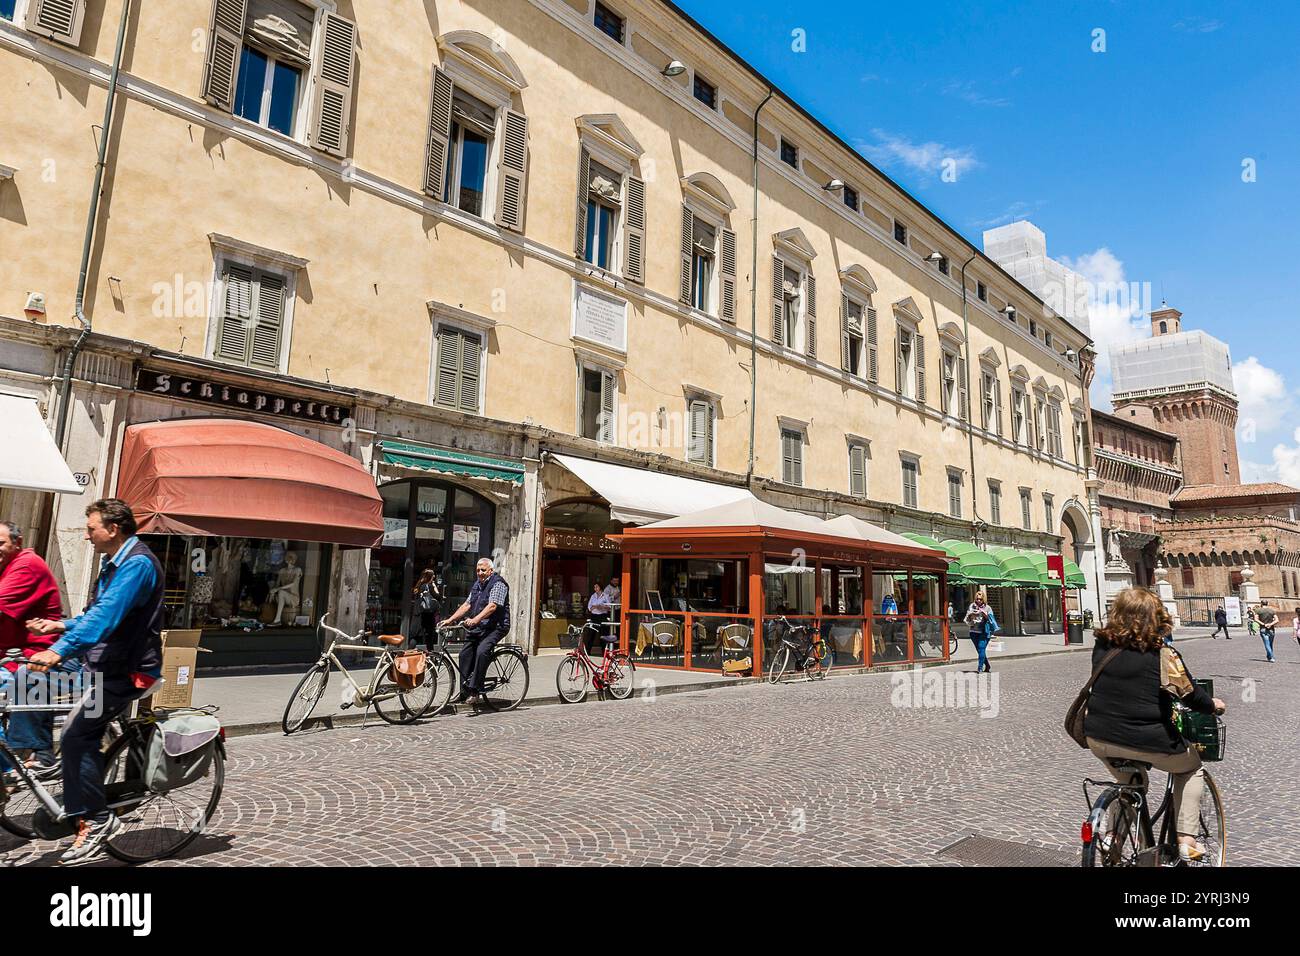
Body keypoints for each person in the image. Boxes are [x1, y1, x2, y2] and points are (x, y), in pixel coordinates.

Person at [25, 499, 164, 864]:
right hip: (101, 662)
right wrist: (61, 625)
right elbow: (95, 612)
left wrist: (59, 649)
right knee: (28, 685)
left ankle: (97, 820)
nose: (86, 535)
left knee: (76, 734)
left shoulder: (136, 565)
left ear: (112, 529)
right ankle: (46, 758)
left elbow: (106, 617)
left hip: (128, 672)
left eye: (91, 529)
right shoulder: (113, 561)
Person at [1084, 587, 1226, 862]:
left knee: (1130, 781)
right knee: (1192, 768)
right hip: (1148, 739)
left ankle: (1112, 837)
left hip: (1099, 737)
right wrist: (1214, 705)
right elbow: (1191, 695)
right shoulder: (1163, 653)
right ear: (1156, 616)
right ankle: (1187, 839)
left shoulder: (1103, 647)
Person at [0, 520, 67, 777]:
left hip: (30, 658)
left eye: (0, 543)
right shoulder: (6, 565)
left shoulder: (27, 565)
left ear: (17, 543)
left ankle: (9, 769)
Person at [440, 557, 509, 705]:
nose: (480, 573)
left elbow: (492, 606)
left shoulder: (498, 584)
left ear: (491, 570)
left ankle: (476, 691)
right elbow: (467, 605)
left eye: (483, 570)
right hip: (481, 626)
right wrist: (450, 619)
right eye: (478, 570)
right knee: (464, 654)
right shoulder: (478, 584)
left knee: (481, 651)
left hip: (497, 626)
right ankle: (465, 692)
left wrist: (475, 619)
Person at [963, 590, 999, 674]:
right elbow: (967, 619)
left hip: (984, 632)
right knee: (980, 650)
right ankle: (987, 665)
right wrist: (971, 615)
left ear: (984, 600)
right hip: (973, 632)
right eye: (977, 599)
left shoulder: (988, 608)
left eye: (980, 599)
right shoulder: (972, 606)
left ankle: (979, 668)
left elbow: (991, 620)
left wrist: (985, 615)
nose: (978, 601)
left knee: (981, 649)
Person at [412, 568, 442, 645]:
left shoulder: (418, 586)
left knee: (415, 637)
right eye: (433, 576)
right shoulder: (429, 586)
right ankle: (431, 655)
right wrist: (435, 587)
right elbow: (438, 597)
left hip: (417, 615)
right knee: (429, 638)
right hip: (426, 615)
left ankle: (409, 653)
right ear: (430, 577)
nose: (434, 577)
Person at [584, 581, 612, 656]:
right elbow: (590, 607)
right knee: (591, 633)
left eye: (597, 587)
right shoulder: (593, 596)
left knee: (603, 634)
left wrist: (601, 607)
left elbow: (609, 607)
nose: (595, 588)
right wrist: (594, 607)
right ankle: (588, 651)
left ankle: (604, 652)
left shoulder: (605, 595)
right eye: (594, 587)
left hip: (602, 616)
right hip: (594, 616)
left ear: (600, 587)